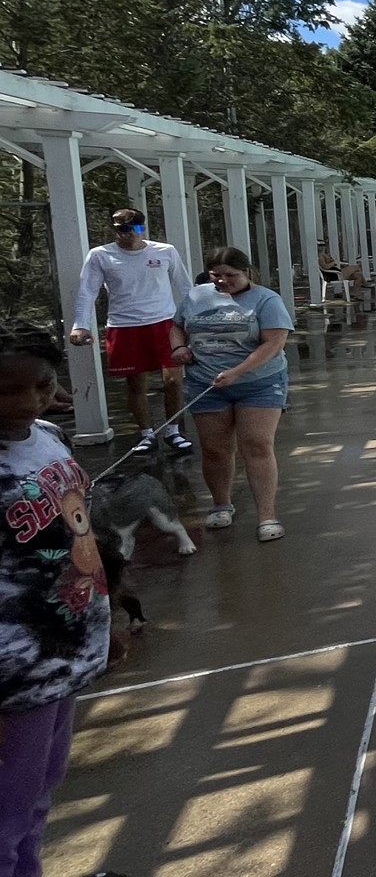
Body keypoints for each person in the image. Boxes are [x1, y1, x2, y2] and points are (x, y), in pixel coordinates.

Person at [0, 328, 110, 876]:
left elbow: (70, 526)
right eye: (15, 390)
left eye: (46, 384)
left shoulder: (46, 435)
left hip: (66, 640)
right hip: (15, 663)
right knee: (7, 804)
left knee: (42, 784)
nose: (37, 398)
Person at [171, 248, 293, 542]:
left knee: (257, 444)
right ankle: (221, 504)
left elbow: (274, 343)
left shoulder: (266, 299)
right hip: (206, 383)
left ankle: (267, 515)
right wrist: (178, 348)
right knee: (214, 448)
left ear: (246, 272)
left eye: (231, 275)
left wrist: (238, 372)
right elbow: (176, 325)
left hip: (259, 382)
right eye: (216, 275)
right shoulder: (197, 296)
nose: (223, 281)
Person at [68, 208, 195, 455]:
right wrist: (79, 325)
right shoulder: (100, 255)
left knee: (173, 380)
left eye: (135, 227)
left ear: (142, 228)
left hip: (164, 323)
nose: (129, 234)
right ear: (114, 229)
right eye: (122, 228)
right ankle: (146, 434)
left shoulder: (164, 251)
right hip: (125, 325)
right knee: (136, 383)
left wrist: (195, 319)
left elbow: (184, 285)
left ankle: (174, 431)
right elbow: (87, 290)